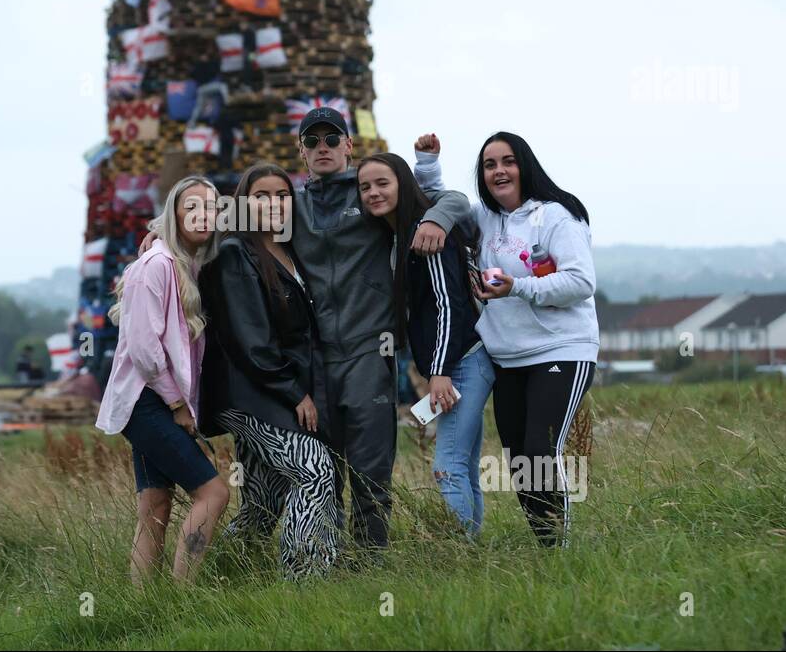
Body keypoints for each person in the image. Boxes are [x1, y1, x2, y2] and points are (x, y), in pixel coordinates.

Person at [143, 108, 472, 552]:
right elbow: (209, 217)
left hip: (369, 353)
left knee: (371, 470)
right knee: (326, 472)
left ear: (348, 145)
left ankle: (370, 561)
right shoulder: (289, 205)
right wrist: (160, 237)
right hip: (315, 363)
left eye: (332, 139)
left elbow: (450, 201)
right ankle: (329, 561)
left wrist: (438, 218)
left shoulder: (371, 193)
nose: (322, 148)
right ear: (300, 150)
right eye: (312, 141)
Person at [417, 131, 599, 547]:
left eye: (507, 161)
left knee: (539, 449)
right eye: (489, 164)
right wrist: (427, 164)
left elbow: (580, 281)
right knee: (519, 460)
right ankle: (547, 545)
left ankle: (560, 550)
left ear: (525, 166)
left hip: (562, 350)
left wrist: (517, 286)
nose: (499, 170)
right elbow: (440, 201)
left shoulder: (556, 215)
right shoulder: (484, 218)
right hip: (507, 357)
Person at [199, 163, 338, 577]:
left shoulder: (290, 249)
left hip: (274, 385)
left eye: (282, 196)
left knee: (264, 501)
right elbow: (249, 340)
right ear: (244, 202)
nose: (274, 204)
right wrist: (295, 393)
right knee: (314, 471)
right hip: (249, 390)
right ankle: (304, 580)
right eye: (262, 196)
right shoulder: (233, 253)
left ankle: (221, 573)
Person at [96, 175, 229, 584]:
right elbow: (143, 347)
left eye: (209, 207)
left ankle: (143, 605)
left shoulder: (185, 262)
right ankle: (184, 594)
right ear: (173, 214)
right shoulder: (155, 266)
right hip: (147, 399)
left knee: (154, 504)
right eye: (191, 207)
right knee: (213, 493)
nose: (201, 214)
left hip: (155, 398)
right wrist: (176, 404)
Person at [358, 150, 493, 537]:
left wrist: (439, 373)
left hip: (462, 362)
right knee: (463, 463)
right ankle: (471, 549)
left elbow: (447, 306)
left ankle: (458, 552)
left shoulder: (425, 235)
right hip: (457, 362)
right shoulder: (401, 233)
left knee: (447, 465)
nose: (373, 193)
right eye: (365, 187)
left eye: (383, 183)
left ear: (403, 183)